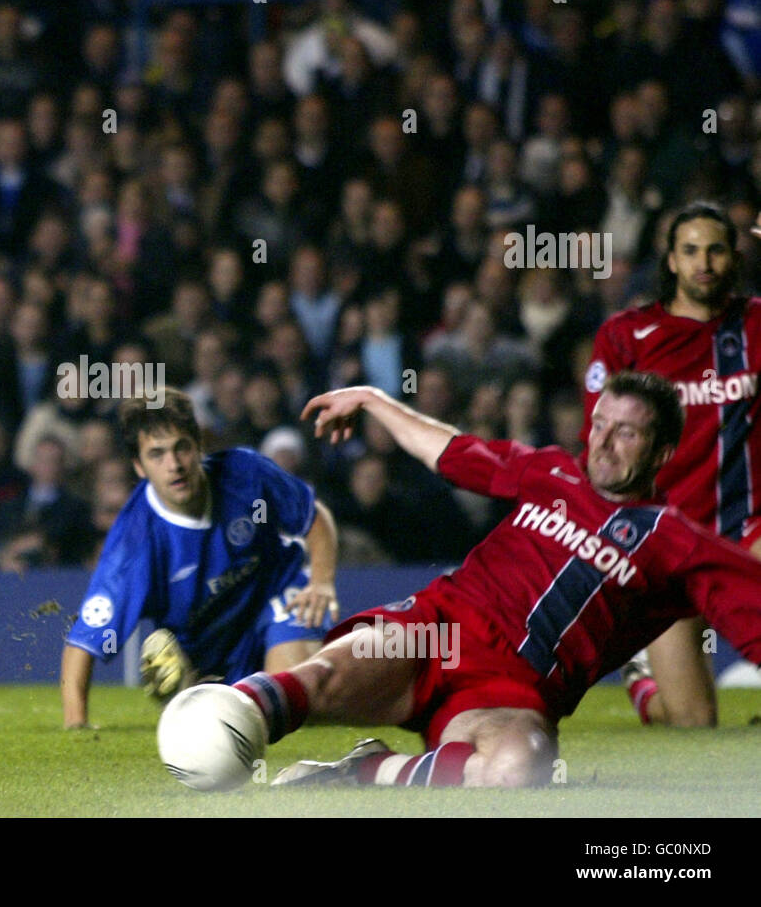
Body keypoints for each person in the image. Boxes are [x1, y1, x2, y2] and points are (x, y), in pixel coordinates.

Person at [201, 373, 761, 788]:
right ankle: (216, 722)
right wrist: (372, 399)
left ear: (662, 452)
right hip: (435, 629)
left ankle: (361, 771)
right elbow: (448, 451)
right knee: (318, 677)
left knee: (522, 768)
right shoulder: (551, 471)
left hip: (513, 693)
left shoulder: (676, 541)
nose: (604, 443)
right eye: (600, 425)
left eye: (627, 434)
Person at [60, 387, 340, 729]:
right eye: (157, 454)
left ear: (198, 445)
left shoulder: (245, 474)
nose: (174, 465)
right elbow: (83, 644)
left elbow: (314, 517)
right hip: (211, 654)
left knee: (293, 700)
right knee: (252, 716)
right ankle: (204, 692)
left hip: (278, 595)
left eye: (182, 448)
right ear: (139, 466)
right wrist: (76, 725)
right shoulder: (134, 544)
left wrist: (322, 582)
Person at [583, 202, 761, 727]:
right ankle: (641, 684)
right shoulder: (626, 336)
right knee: (693, 721)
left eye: (716, 250)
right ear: (671, 260)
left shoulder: (755, 325)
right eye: (690, 251)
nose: (703, 262)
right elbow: (595, 447)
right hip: (664, 543)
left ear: (734, 257)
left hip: (745, 528)